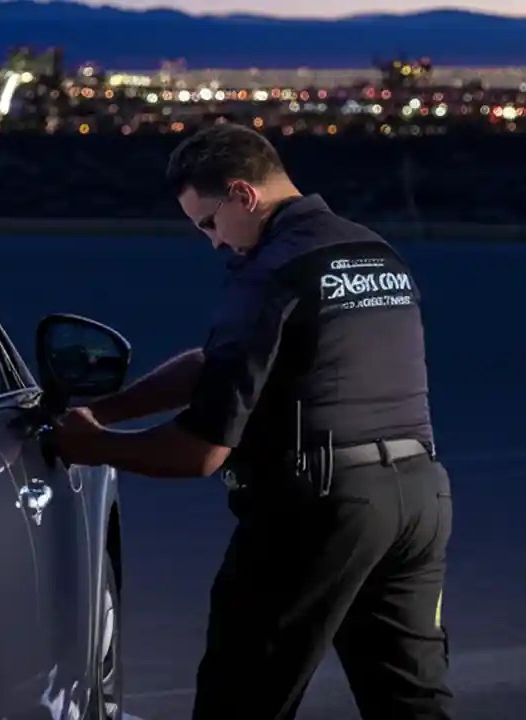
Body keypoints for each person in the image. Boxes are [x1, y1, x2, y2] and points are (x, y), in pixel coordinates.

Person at [53, 123, 453, 720]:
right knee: (411, 702)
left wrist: (94, 445)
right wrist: (105, 408)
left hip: (317, 512)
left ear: (242, 195)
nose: (214, 243)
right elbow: (214, 366)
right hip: (420, 501)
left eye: (209, 224)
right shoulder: (373, 252)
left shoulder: (272, 272)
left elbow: (202, 451)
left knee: (241, 700)